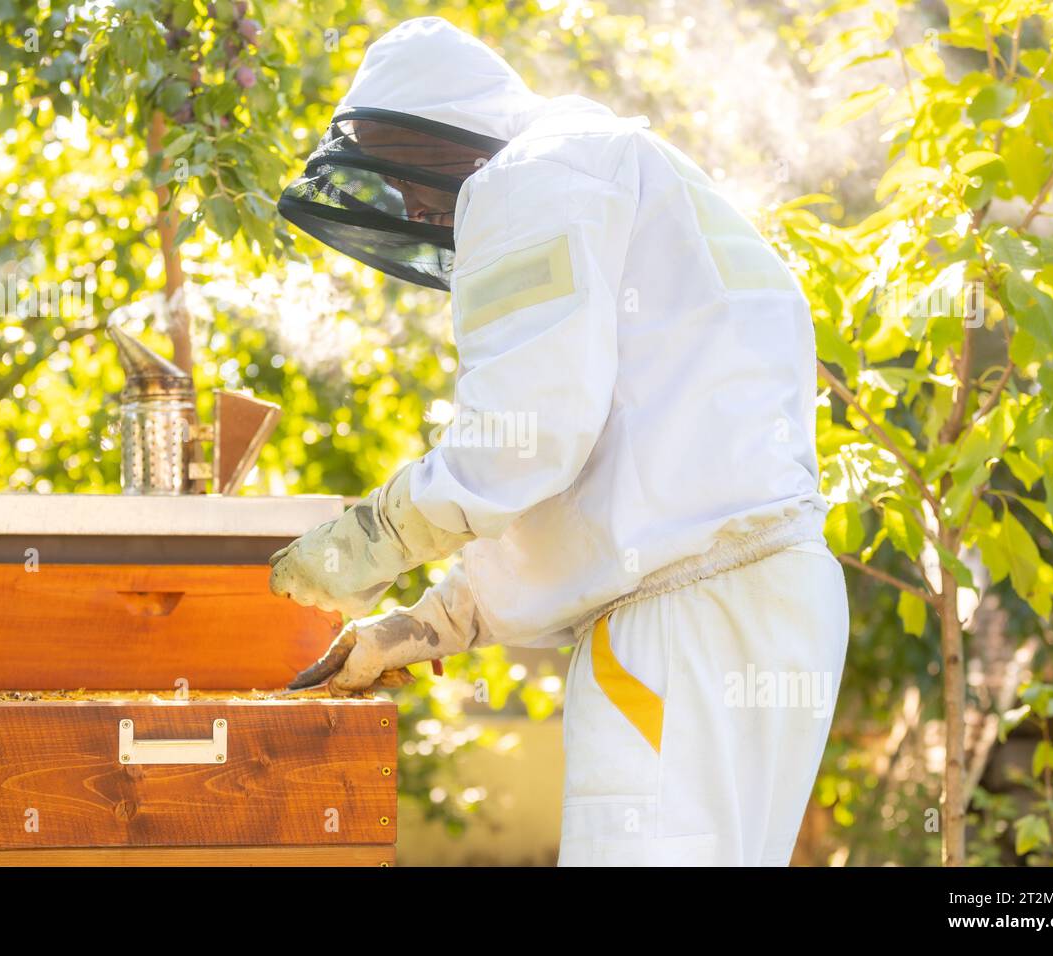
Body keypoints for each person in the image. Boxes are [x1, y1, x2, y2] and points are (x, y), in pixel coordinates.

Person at [270, 16, 849, 866]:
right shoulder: (609, 163)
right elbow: (608, 481)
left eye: (406, 167)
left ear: (446, 127)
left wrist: (372, 537)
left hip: (682, 630)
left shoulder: (527, 175)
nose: (415, 207)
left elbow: (526, 439)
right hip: (777, 602)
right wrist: (433, 624)